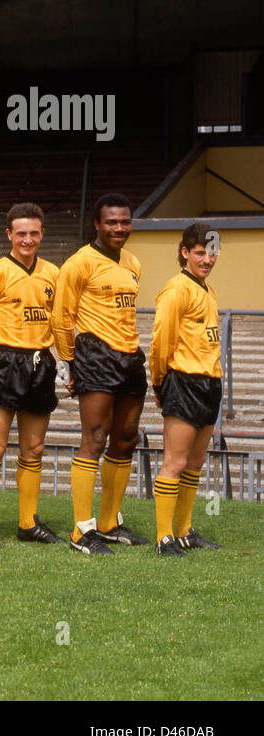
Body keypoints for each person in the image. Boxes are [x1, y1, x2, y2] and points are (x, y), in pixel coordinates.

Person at [53, 193, 148, 555]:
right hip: (94, 355)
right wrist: (69, 361)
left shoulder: (134, 263)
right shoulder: (79, 263)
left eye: (125, 222)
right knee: (95, 437)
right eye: (112, 222)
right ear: (97, 224)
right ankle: (81, 529)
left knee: (125, 438)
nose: (119, 228)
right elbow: (61, 316)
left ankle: (109, 523)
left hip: (129, 357)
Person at [0, 203, 64, 550]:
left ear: (42, 234)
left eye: (33, 233)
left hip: (41, 362)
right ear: (9, 234)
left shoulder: (53, 273)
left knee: (34, 449)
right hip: (6, 360)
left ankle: (27, 522)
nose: (27, 239)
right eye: (21, 233)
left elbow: (61, 319)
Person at [150, 222, 224, 557]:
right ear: (185, 253)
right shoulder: (176, 289)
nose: (208, 259)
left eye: (212, 252)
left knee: (195, 462)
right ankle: (164, 537)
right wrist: (159, 379)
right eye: (200, 252)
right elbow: (160, 338)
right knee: (175, 462)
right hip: (183, 381)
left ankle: (184, 530)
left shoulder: (208, 290)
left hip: (210, 383)